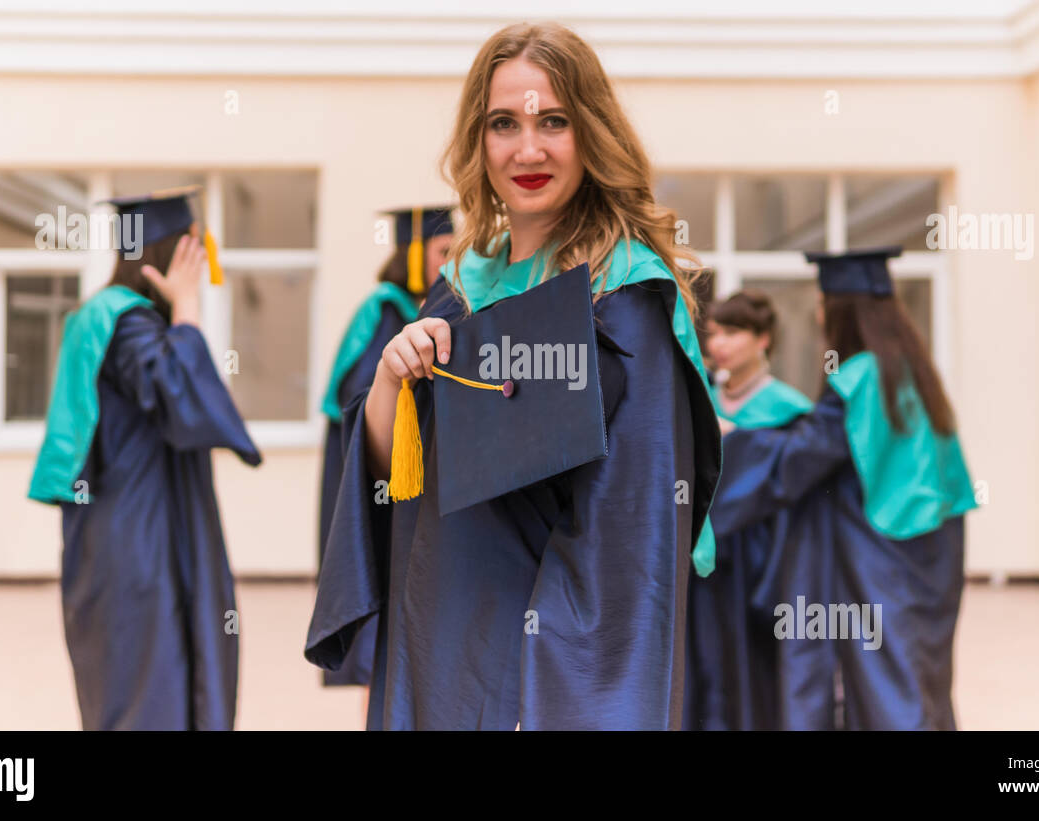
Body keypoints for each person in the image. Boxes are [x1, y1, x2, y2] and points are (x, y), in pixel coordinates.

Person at [305, 21, 721, 730]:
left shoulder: (624, 298)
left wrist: (547, 693)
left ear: (590, 130)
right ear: (478, 138)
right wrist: (389, 381)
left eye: (553, 120)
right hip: (436, 638)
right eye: (504, 123)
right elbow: (389, 476)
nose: (528, 149)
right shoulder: (460, 286)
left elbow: (627, 534)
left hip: (543, 676)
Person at [712, 246, 977, 730]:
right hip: (934, 549)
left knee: (888, 675)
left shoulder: (856, 377)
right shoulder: (912, 370)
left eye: (822, 302)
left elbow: (804, 457)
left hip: (882, 551)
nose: (817, 314)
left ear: (841, 310)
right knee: (921, 672)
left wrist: (731, 444)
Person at [27, 187, 261, 730]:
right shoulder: (129, 324)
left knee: (146, 674)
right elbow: (186, 402)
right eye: (194, 252)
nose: (201, 265)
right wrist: (187, 307)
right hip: (142, 535)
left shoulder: (104, 316)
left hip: (127, 525)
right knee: (149, 683)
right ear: (173, 255)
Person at [317, 205, 452, 689]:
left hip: (420, 487)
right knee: (384, 644)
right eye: (444, 251)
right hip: (383, 484)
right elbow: (355, 401)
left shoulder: (438, 308)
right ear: (413, 254)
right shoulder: (386, 311)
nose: (453, 260)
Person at [683, 289, 815, 730]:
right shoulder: (699, 400)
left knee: (752, 662)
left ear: (763, 339)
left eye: (734, 332)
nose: (718, 344)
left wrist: (737, 437)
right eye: (714, 333)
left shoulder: (790, 410)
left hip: (761, 559)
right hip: (703, 554)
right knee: (702, 659)